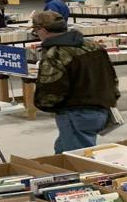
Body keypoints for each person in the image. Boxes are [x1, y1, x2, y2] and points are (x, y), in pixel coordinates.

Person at [30, 10, 119, 153]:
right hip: (101, 108)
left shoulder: (56, 53)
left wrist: (43, 105)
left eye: (35, 31)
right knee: (63, 151)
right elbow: (111, 76)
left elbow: (52, 87)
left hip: (76, 112)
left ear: (43, 30)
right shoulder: (92, 45)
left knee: (76, 161)